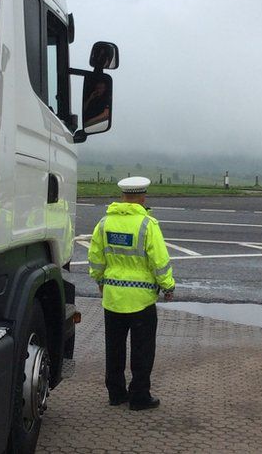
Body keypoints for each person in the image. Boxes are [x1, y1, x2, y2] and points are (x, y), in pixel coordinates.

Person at [87, 176, 175, 411]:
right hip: (141, 301)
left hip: (113, 298)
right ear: (143, 198)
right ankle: (139, 396)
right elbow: (160, 261)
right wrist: (168, 286)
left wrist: (99, 280)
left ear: (122, 197)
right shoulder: (147, 224)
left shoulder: (104, 223)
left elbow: (95, 258)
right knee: (142, 351)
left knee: (114, 349)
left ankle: (116, 394)